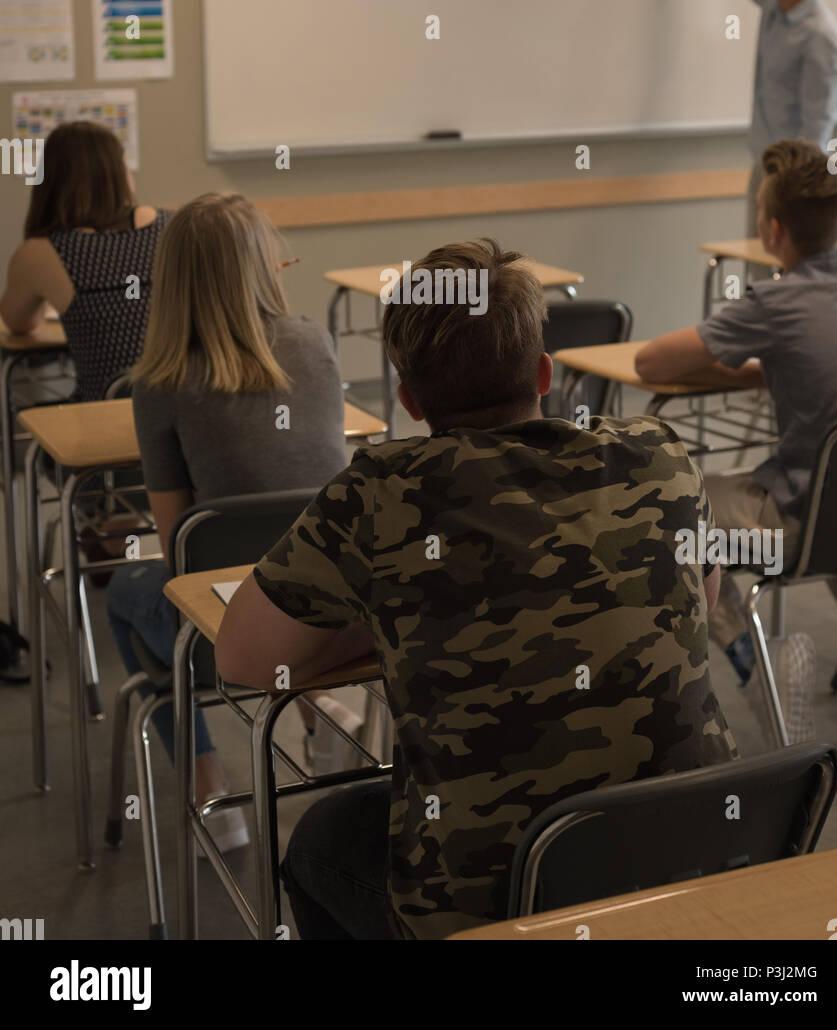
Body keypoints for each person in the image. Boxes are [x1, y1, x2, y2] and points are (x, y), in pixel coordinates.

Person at [216, 238, 736, 939]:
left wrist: (396, 613)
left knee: (321, 839)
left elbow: (242, 660)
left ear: (406, 398)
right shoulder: (661, 456)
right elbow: (698, 607)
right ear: (544, 373)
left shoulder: (380, 494)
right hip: (696, 866)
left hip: (495, 909)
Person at [107, 192, 349, 851]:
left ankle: (211, 786)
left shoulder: (158, 381)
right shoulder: (311, 341)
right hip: (340, 613)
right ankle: (317, 704)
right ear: (261, 266)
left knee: (123, 593)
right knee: (288, 548)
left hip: (228, 631)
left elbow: (177, 548)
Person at [636, 140, 837, 741]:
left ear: (770, 230)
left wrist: (751, 362)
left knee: (677, 518)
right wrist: (774, 366)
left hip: (805, 524)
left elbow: (651, 362)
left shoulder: (775, 301)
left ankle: (752, 667)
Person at [658, 0, 837, 242]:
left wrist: (793, 191)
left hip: (793, 181)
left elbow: (817, 126)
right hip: (764, 165)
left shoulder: (820, 37)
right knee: (759, 267)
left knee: (786, 276)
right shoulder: (775, 2)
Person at [0, 121, 171, 401]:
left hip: (106, 410)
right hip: (185, 410)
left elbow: (17, 322)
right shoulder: (171, 226)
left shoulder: (41, 252)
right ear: (118, 174)